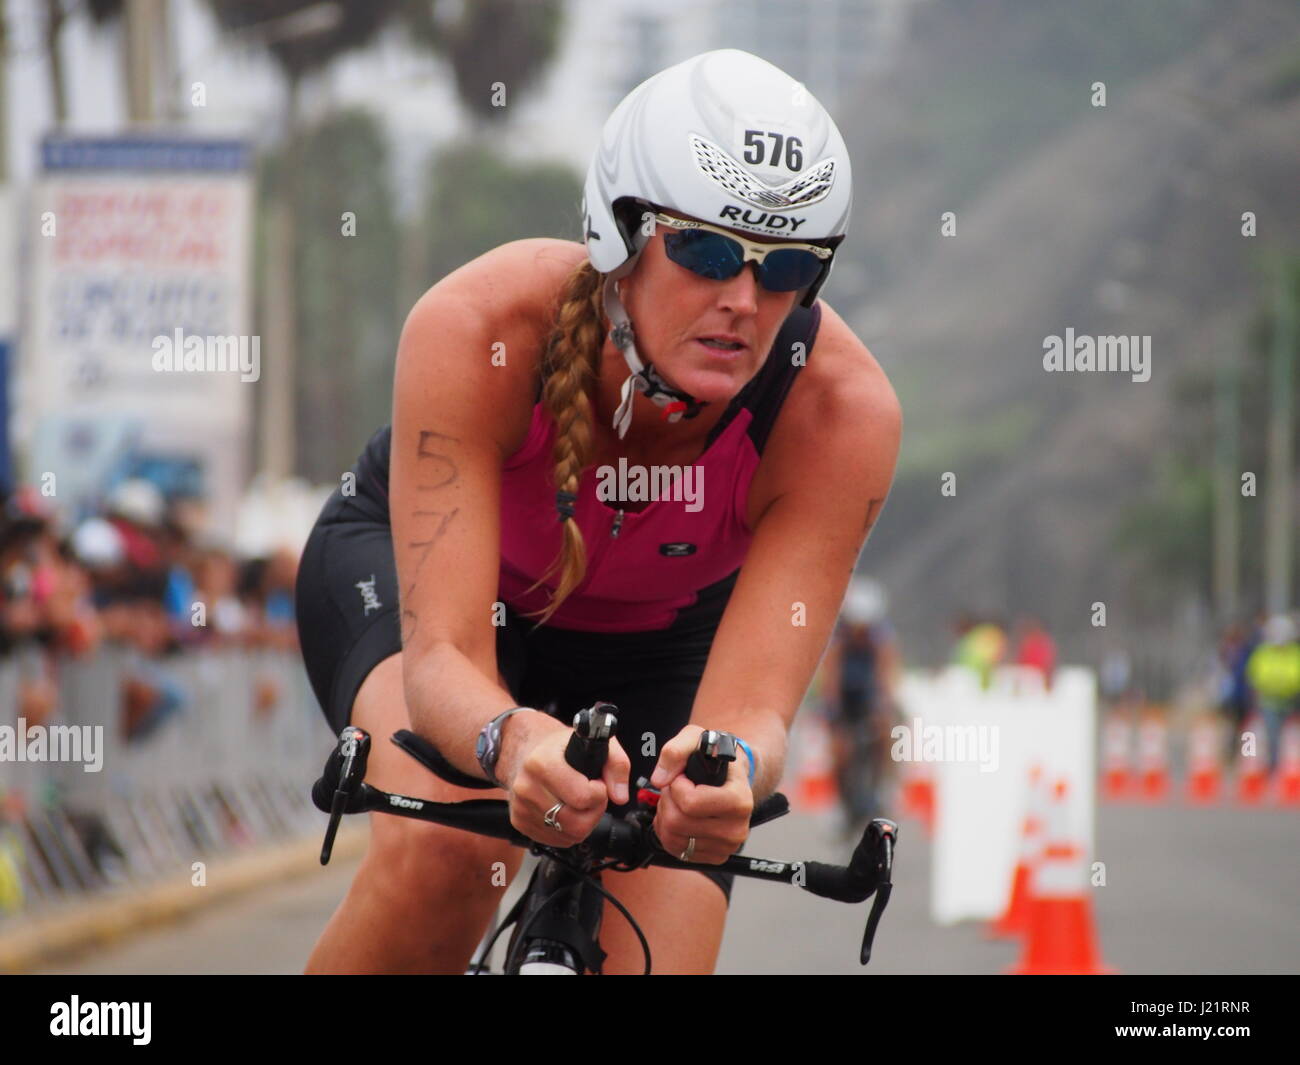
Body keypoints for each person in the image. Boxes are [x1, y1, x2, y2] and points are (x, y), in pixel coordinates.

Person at [294, 49, 901, 974]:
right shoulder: (481, 329)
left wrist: (731, 764)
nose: (742, 299)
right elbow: (447, 658)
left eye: (784, 264)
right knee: (456, 852)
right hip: (453, 602)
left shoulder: (841, 414)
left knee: (662, 933)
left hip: (658, 644)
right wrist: (508, 741)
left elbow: (754, 715)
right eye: (702, 250)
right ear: (619, 233)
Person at [818, 577, 900, 835]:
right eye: (857, 627)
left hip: (869, 694)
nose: (860, 632)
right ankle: (841, 804)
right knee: (839, 750)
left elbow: (886, 672)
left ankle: (883, 788)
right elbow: (830, 676)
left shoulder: (881, 636)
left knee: (887, 732)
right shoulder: (839, 635)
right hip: (845, 696)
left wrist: (882, 704)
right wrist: (833, 711)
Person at [1245, 615, 1300, 773]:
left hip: (1292, 701)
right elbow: (1254, 675)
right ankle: (1272, 767)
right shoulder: (1263, 653)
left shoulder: (1294, 653)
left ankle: (1290, 768)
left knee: (1292, 738)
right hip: (1268, 702)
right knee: (1271, 736)